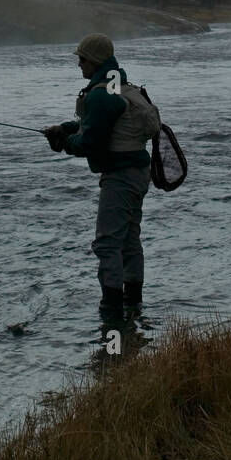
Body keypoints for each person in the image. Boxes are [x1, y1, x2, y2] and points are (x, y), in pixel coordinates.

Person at [44, 33, 153, 316]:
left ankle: (112, 313)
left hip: (120, 177)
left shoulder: (101, 94)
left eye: (82, 59)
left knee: (107, 243)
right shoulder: (118, 83)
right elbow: (98, 124)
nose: (79, 64)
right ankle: (133, 305)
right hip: (139, 172)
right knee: (129, 240)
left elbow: (91, 142)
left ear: (94, 60)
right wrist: (66, 128)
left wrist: (63, 143)